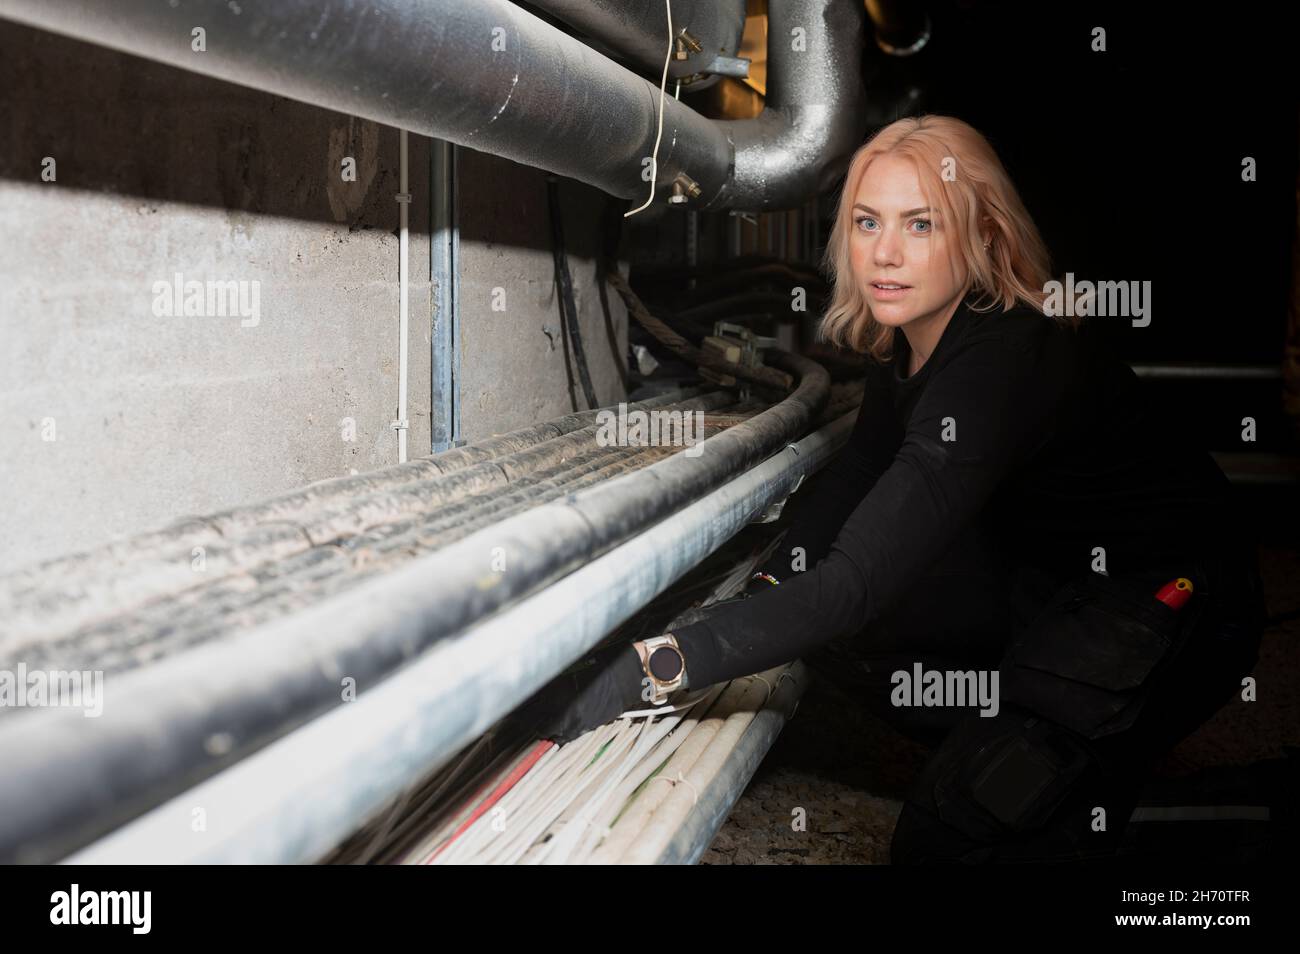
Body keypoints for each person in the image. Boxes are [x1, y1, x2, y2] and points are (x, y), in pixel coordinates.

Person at [538, 114, 1266, 864]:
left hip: (1169, 604)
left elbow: (852, 583)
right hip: (1054, 582)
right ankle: (1030, 745)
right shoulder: (916, 332)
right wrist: (757, 589)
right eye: (866, 222)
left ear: (981, 237)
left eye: (921, 225)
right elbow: (855, 479)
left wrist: (659, 664)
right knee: (844, 638)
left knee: (946, 839)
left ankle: (1183, 805)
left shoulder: (1001, 360)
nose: (885, 254)